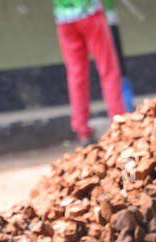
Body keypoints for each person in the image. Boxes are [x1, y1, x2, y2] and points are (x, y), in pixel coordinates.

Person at [52, 0, 127, 146]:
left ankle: (82, 131)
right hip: (90, 15)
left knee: (76, 75)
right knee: (109, 71)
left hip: (64, 21)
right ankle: (119, 122)